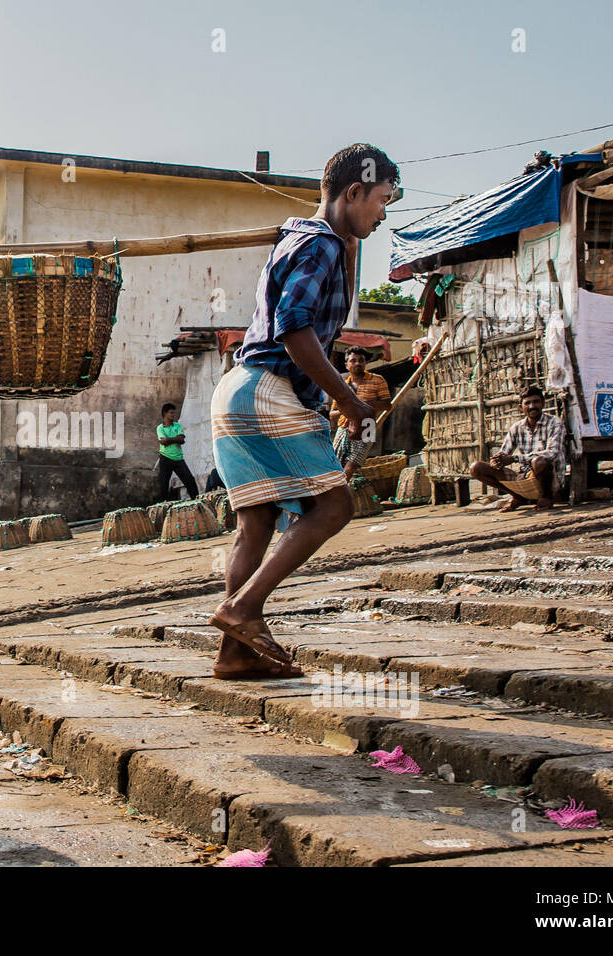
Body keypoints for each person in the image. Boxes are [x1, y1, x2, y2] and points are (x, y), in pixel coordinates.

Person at [209, 143, 396, 680]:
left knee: (256, 522)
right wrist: (350, 401)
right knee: (335, 507)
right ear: (353, 192)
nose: (383, 214)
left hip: (236, 390)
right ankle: (241, 610)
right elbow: (294, 328)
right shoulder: (323, 246)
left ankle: (234, 654)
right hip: (266, 388)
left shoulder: (299, 238)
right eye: (382, 199)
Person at [469, 385, 566, 512]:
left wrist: (515, 458)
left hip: (549, 480)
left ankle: (546, 498)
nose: (532, 406)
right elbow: (503, 452)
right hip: (524, 477)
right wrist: (497, 461)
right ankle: (518, 497)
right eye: (527, 403)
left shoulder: (555, 423)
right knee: (476, 468)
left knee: (539, 461)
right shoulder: (517, 427)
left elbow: (552, 453)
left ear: (543, 403)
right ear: (521, 407)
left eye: (536, 402)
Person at [329, 346, 391, 478]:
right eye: (353, 360)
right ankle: (338, 492)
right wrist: (347, 408)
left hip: (367, 425)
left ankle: (340, 493)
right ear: (346, 365)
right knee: (335, 464)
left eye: (361, 360)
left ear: (365, 363)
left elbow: (387, 405)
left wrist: (362, 404)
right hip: (343, 426)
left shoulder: (377, 380)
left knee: (352, 465)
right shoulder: (342, 385)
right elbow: (332, 413)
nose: (357, 363)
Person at [156, 403, 199, 500]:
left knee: (190, 481)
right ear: (165, 413)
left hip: (178, 459)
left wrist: (168, 439)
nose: (173, 415)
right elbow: (164, 442)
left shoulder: (177, 426)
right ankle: (163, 507)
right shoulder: (160, 428)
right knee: (164, 485)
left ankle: (197, 503)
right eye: (171, 413)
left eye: (173, 413)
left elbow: (181, 440)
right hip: (165, 458)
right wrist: (175, 439)